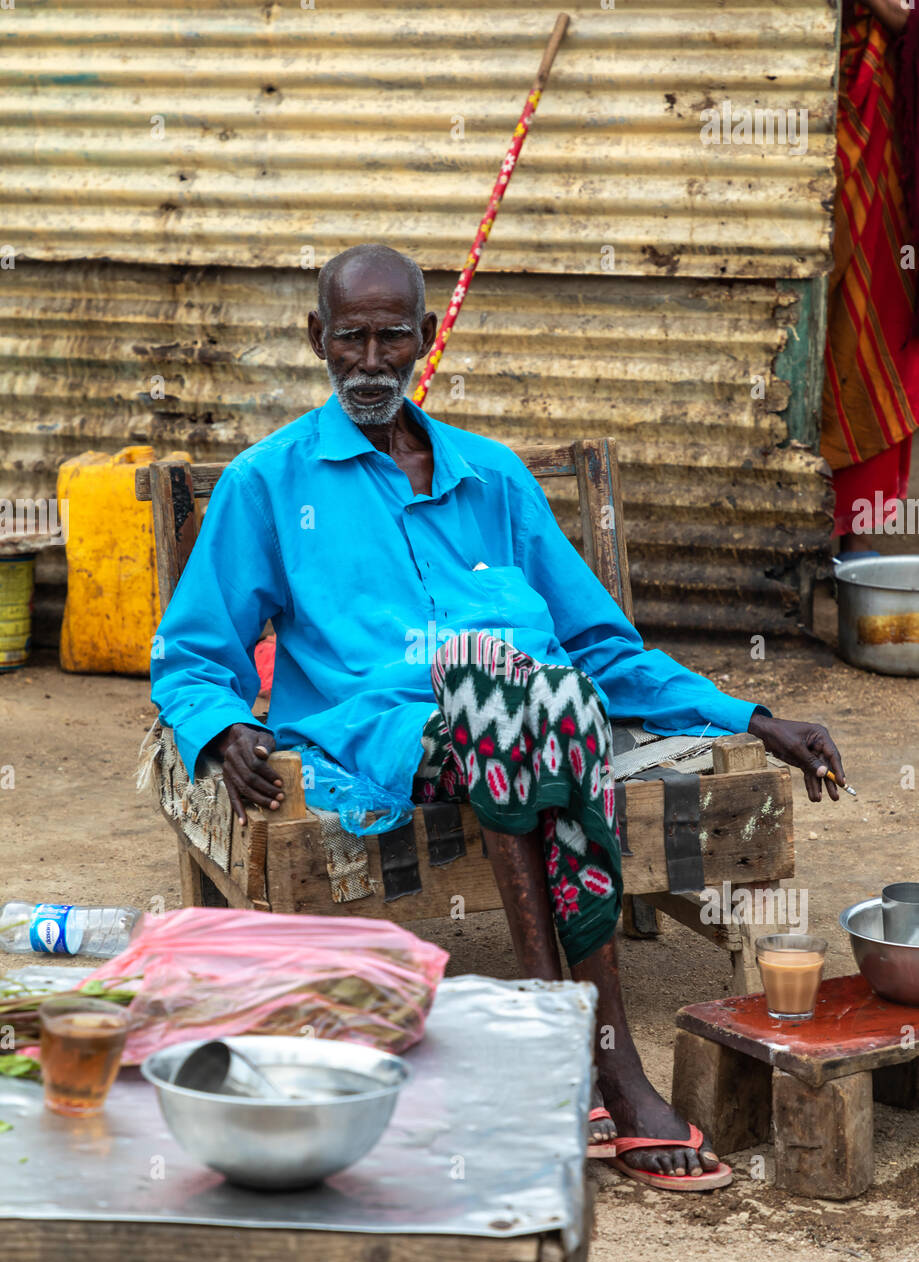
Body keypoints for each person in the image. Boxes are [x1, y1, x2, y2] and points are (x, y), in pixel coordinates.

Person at [151, 243, 847, 1190]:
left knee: (538, 699)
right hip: (386, 737)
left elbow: (599, 647)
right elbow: (193, 654)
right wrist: (225, 725)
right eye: (347, 337)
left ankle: (552, 1041)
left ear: (424, 339)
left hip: (537, 731)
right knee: (520, 703)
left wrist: (752, 717)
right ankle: (608, 1060)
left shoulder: (493, 477)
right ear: (316, 338)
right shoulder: (269, 483)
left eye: (390, 336)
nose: (368, 360)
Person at [823, 0, 919, 549]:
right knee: (850, 325)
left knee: (875, 323)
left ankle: (854, 535)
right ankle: (843, 534)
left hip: (879, 129)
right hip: (850, 129)